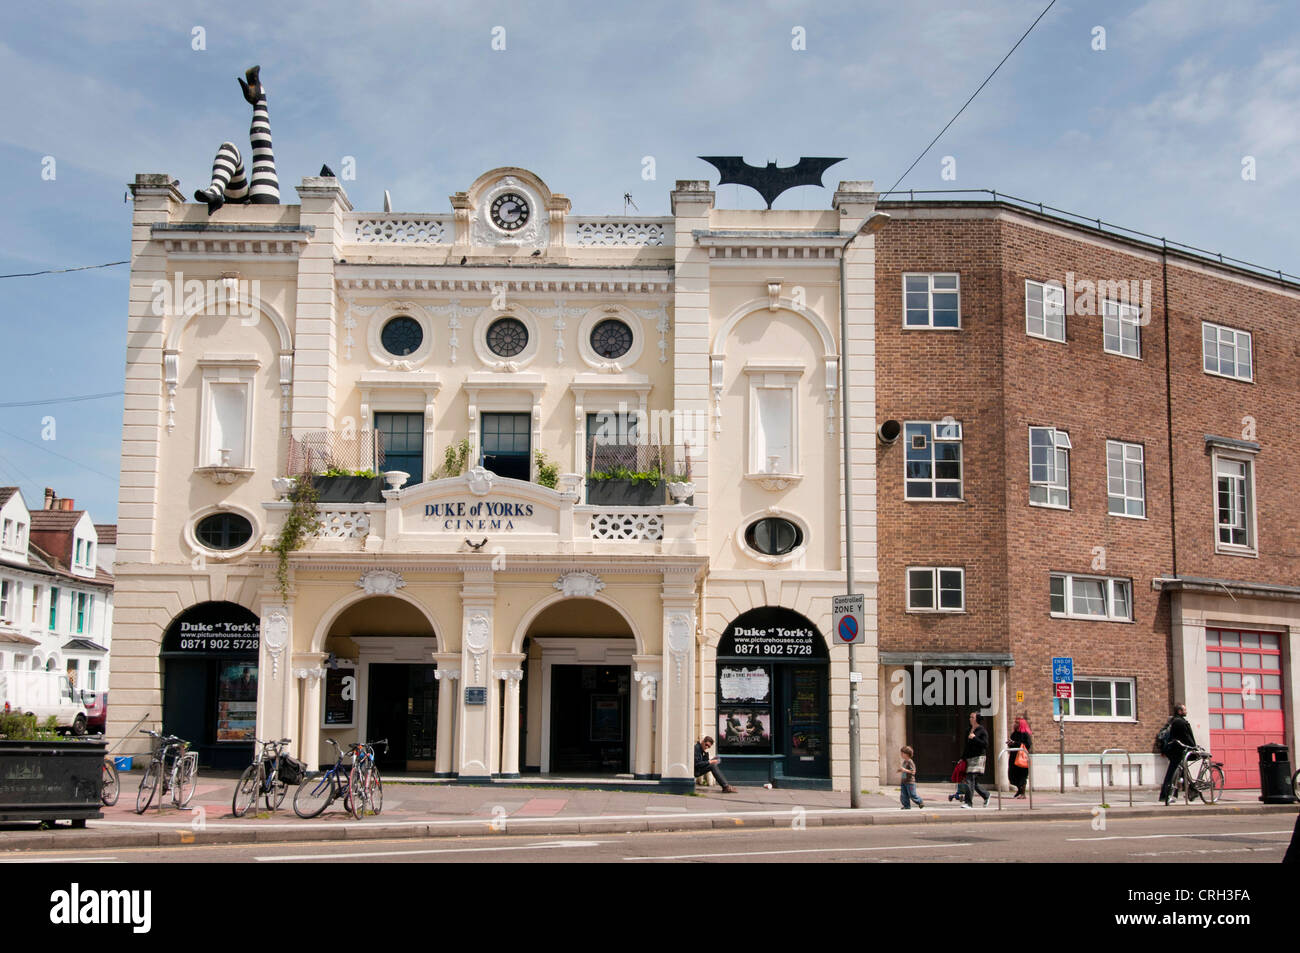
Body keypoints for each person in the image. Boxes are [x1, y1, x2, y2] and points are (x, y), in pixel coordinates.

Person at [1158, 702, 1197, 804]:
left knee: (1181, 772)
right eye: (1184, 710)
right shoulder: (1180, 722)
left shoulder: (1172, 721)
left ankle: (1186, 792)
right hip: (1178, 751)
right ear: (1180, 711)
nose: (1186, 711)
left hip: (1172, 750)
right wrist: (1194, 748)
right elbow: (1187, 737)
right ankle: (1167, 794)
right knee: (1172, 773)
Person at [961, 711, 990, 808]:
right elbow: (966, 746)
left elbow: (985, 745)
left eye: (972, 717)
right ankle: (986, 795)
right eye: (970, 717)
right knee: (974, 782)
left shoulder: (982, 731)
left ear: (977, 719)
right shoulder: (968, 730)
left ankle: (968, 802)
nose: (970, 719)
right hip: (969, 758)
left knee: (969, 778)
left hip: (978, 757)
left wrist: (975, 738)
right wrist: (962, 758)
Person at [1007, 714, 1032, 798]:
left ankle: (1023, 793)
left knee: (1022, 776)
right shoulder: (1014, 734)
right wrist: (1010, 743)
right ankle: (1019, 789)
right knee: (1012, 776)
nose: (1015, 724)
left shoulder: (1025, 734)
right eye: (1015, 722)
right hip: (1014, 757)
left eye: (1017, 723)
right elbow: (1012, 744)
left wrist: (1015, 743)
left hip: (1022, 757)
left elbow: (1028, 745)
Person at [899, 745, 924, 809]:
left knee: (912, 795)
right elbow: (905, 770)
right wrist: (901, 770)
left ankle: (920, 801)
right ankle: (906, 806)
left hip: (910, 782)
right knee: (903, 795)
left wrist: (904, 770)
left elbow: (913, 771)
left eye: (902, 753)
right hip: (904, 781)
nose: (901, 754)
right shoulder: (904, 762)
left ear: (907, 754)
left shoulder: (910, 762)